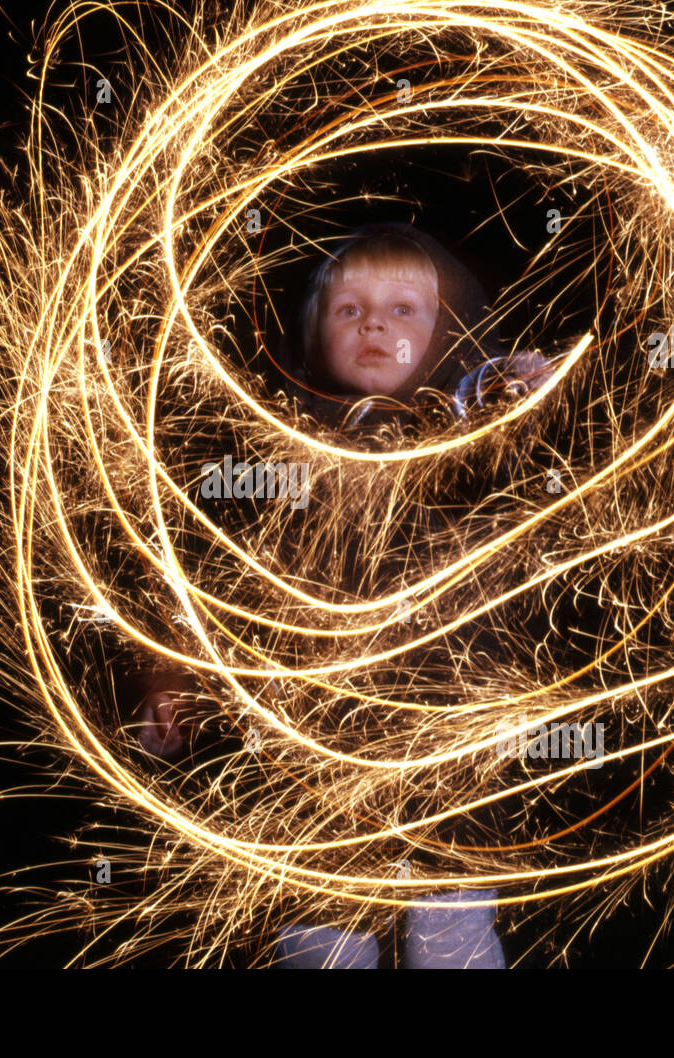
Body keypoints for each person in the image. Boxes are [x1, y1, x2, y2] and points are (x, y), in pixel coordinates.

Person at [126, 222, 554, 967]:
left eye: (403, 310)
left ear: (450, 331)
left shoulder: (470, 440)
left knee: (451, 943)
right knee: (321, 950)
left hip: (448, 763)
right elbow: (207, 578)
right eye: (349, 310)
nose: (376, 326)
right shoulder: (269, 457)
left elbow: (542, 469)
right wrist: (171, 672)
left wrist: (527, 397)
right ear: (310, 333)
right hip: (310, 771)